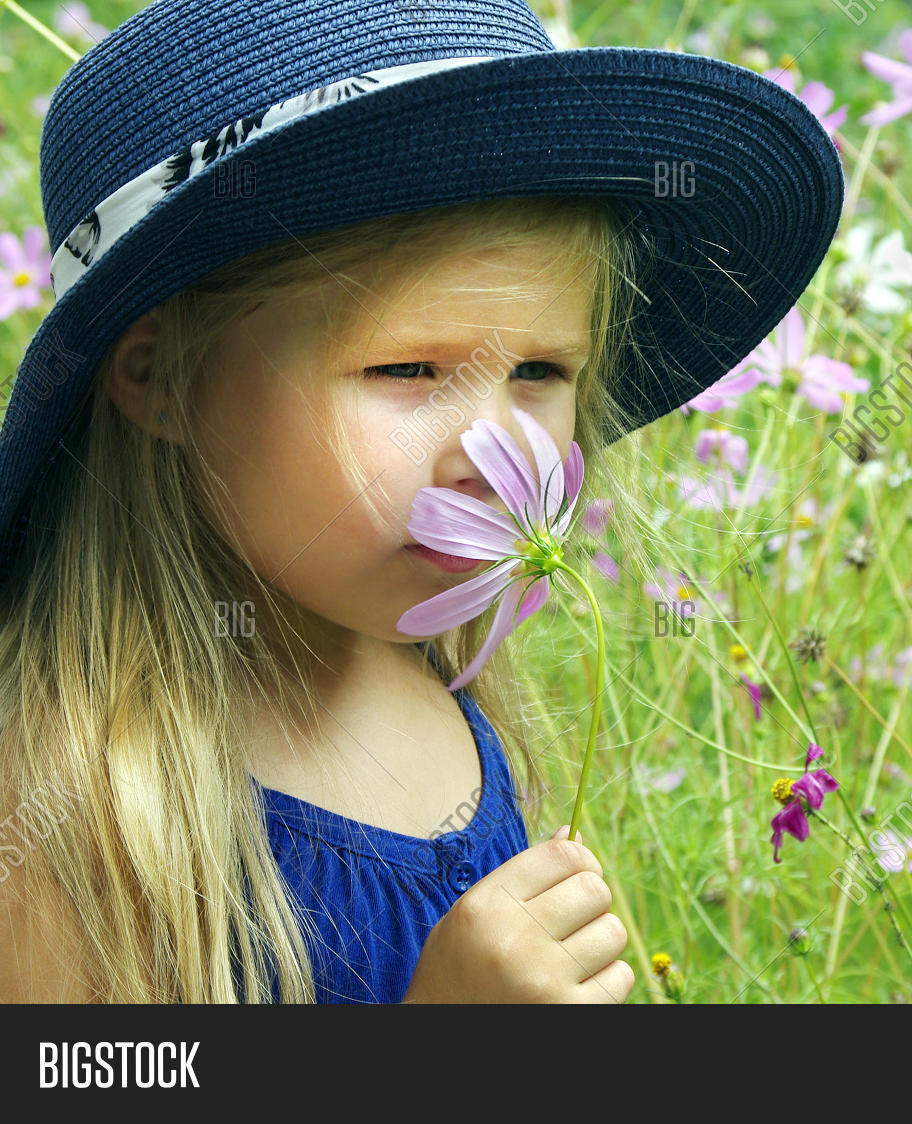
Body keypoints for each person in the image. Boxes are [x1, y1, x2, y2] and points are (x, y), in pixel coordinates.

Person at [0, 0, 843, 1002]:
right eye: (406, 368)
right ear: (160, 379)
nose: (495, 453)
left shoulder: (452, 683)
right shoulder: (72, 812)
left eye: (539, 368)